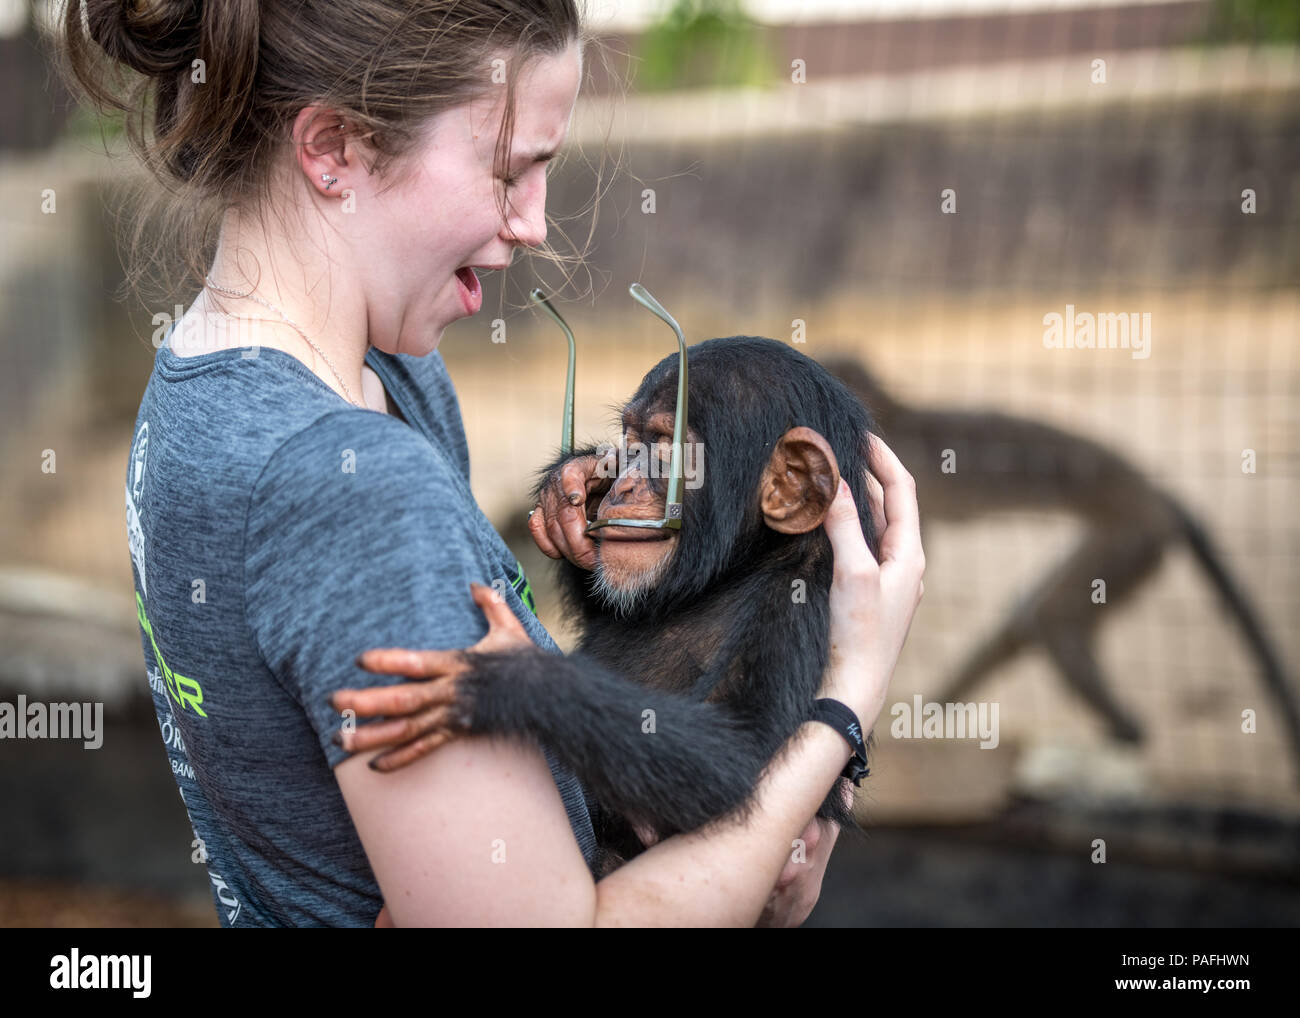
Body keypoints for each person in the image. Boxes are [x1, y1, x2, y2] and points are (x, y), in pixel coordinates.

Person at [60, 0, 924, 926]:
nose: (537, 226)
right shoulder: (353, 489)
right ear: (335, 149)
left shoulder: (325, 377)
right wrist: (847, 705)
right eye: (509, 170)